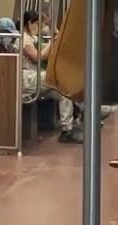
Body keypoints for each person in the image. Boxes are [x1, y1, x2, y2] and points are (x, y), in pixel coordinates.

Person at [18, 10, 82, 144]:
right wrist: (53, 43)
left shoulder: (33, 38)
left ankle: (68, 129)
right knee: (61, 77)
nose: (41, 28)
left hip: (35, 77)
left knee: (64, 91)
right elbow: (38, 57)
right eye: (39, 24)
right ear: (29, 23)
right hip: (27, 79)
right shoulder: (23, 38)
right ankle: (74, 121)